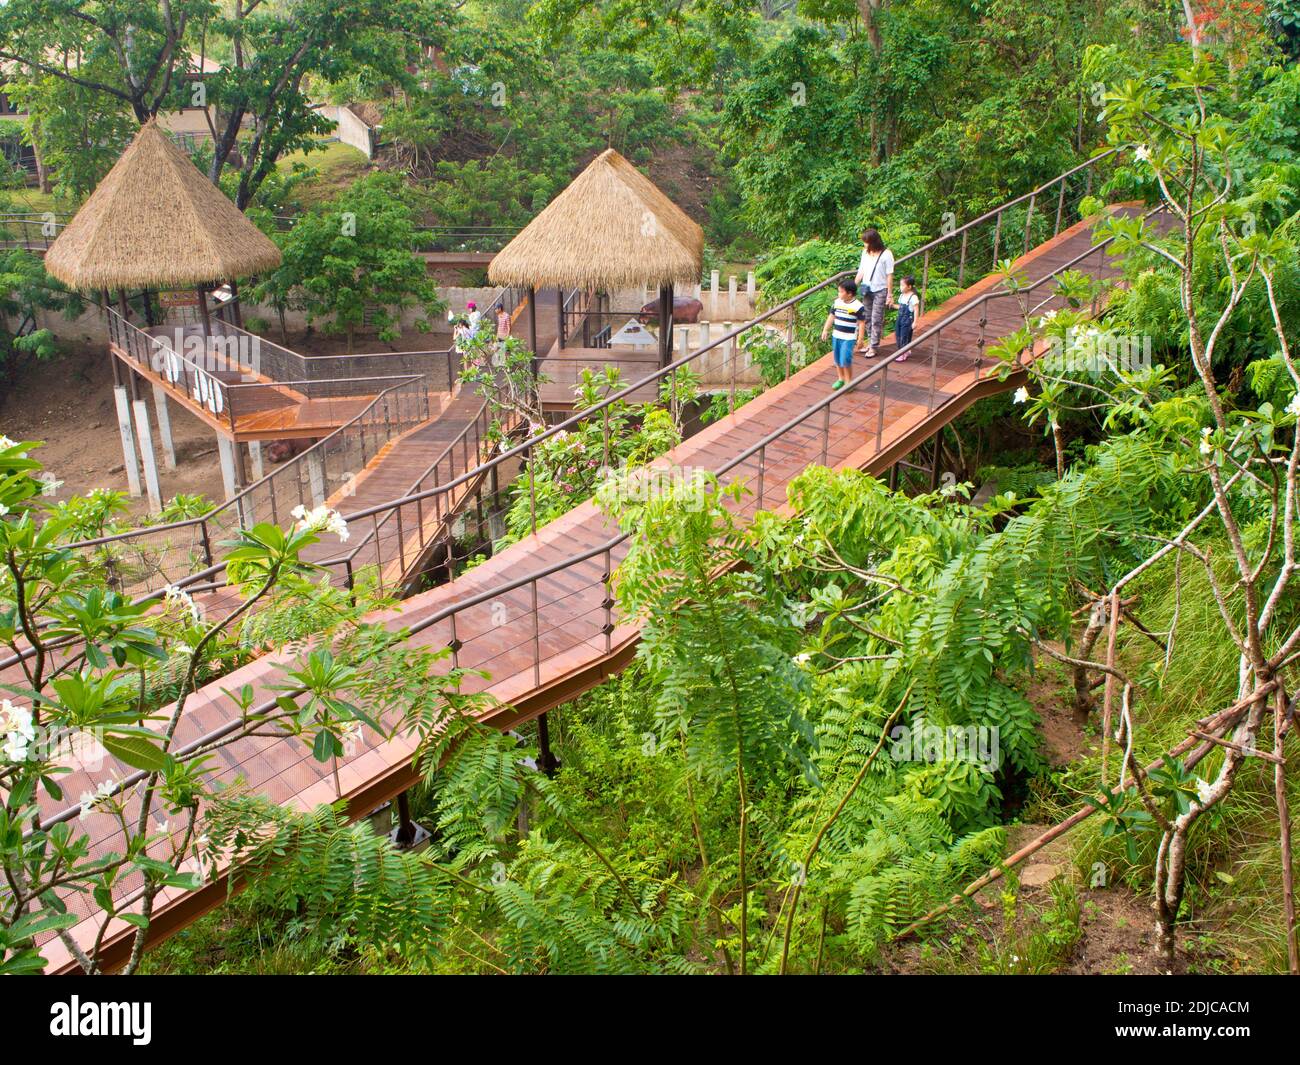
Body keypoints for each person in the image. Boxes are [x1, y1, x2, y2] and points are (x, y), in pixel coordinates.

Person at [854, 228, 894, 358]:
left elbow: (889, 275)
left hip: (880, 290)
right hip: (867, 289)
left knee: (876, 318)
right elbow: (861, 270)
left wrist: (890, 294)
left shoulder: (886, 254)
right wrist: (853, 286)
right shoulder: (865, 253)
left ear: (873, 242)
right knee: (867, 318)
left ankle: (874, 346)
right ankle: (870, 342)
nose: (864, 244)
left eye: (866, 242)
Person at [820, 279, 865, 390]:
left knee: (845, 359)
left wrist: (860, 339)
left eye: (841, 292)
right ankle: (841, 379)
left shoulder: (858, 306)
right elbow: (831, 316)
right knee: (837, 359)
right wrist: (825, 329)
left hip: (849, 337)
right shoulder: (837, 303)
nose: (838, 294)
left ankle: (849, 382)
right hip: (837, 335)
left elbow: (862, 323)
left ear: (849, 293)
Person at [893, 275, 921, 362]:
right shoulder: (902, 295)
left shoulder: (913, 297)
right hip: (900, 318)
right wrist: (892, 305)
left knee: (904, 336)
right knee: (898, 335)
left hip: (908, 319)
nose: (900, 287)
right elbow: (900, 307)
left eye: (902, 285)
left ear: (909, 286)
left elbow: (916, 310)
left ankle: (902, 353)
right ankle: (906, 350)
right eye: (900, 285)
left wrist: (915, 322)